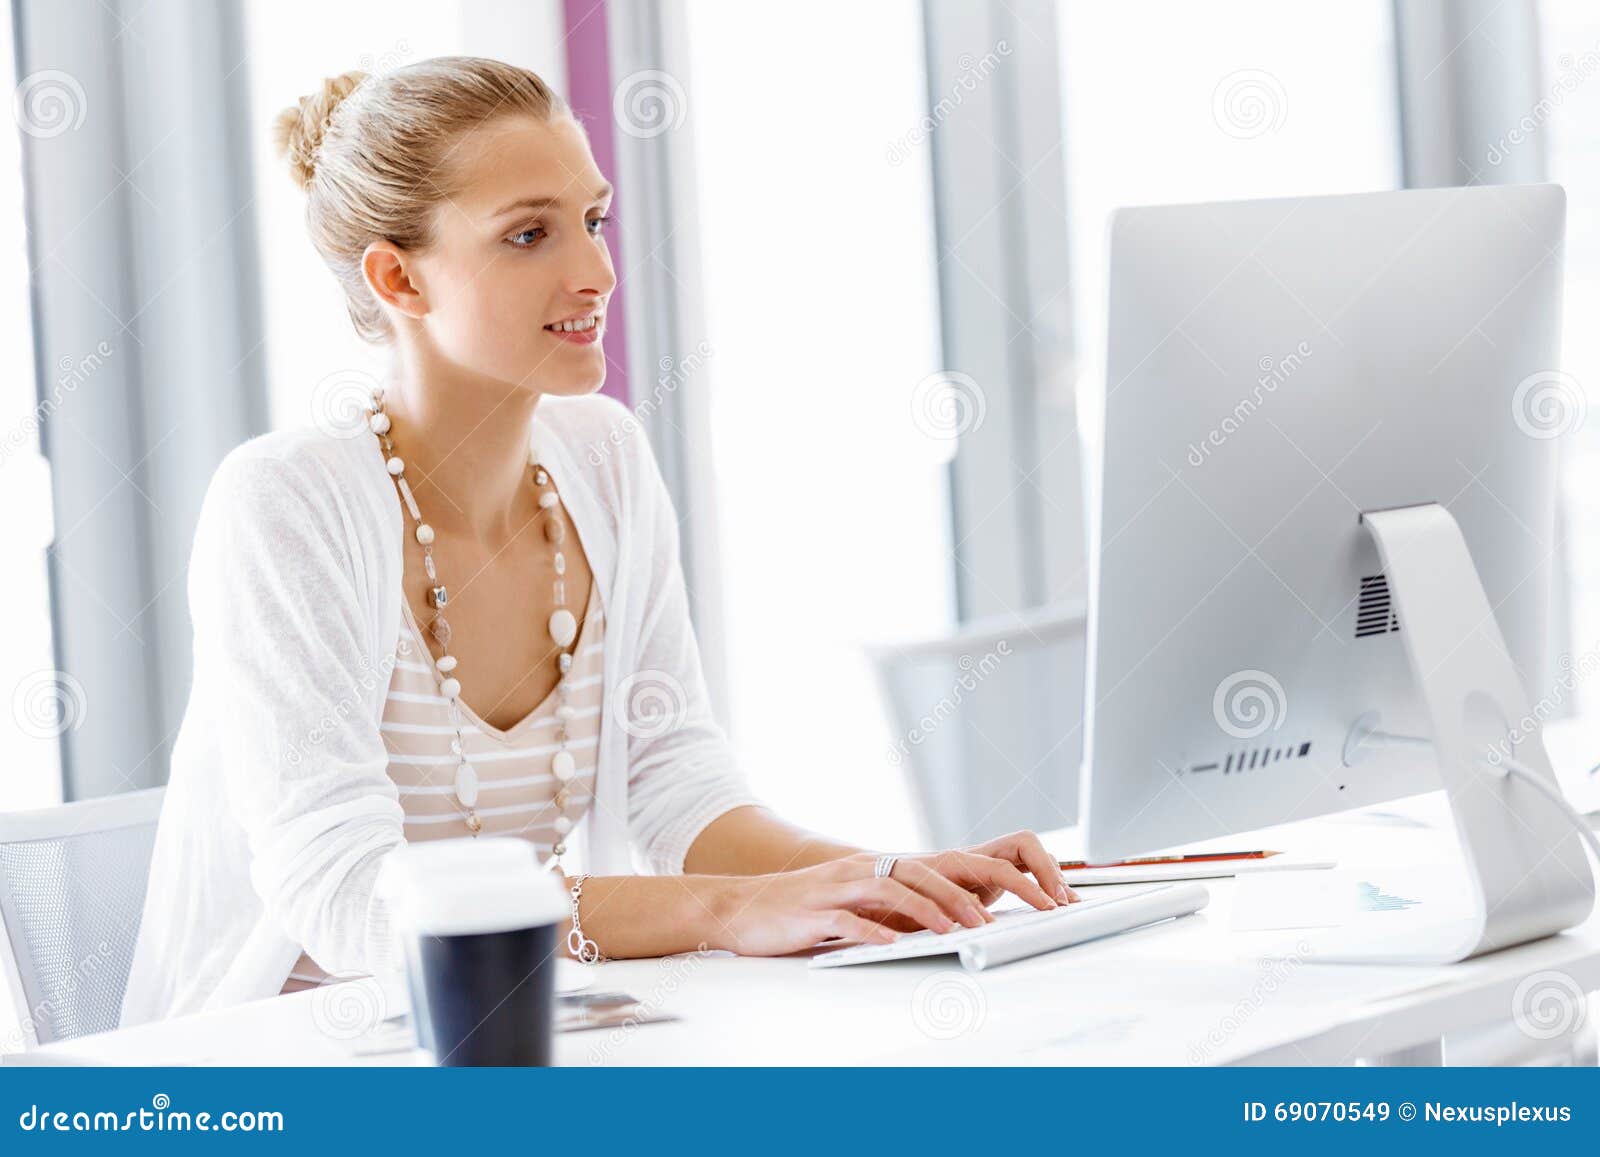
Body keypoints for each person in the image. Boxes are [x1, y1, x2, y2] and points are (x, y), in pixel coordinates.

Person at [120, 56, 1074, 1026]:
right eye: (529, 234)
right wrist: (729, 910)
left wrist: (882, 878)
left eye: (593, 220)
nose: (596, 273)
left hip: (513, 1022)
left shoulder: (604, 458)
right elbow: (348, 899)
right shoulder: (286, 503)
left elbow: (679, 789)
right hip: (288, 1053)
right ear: (397, 276)